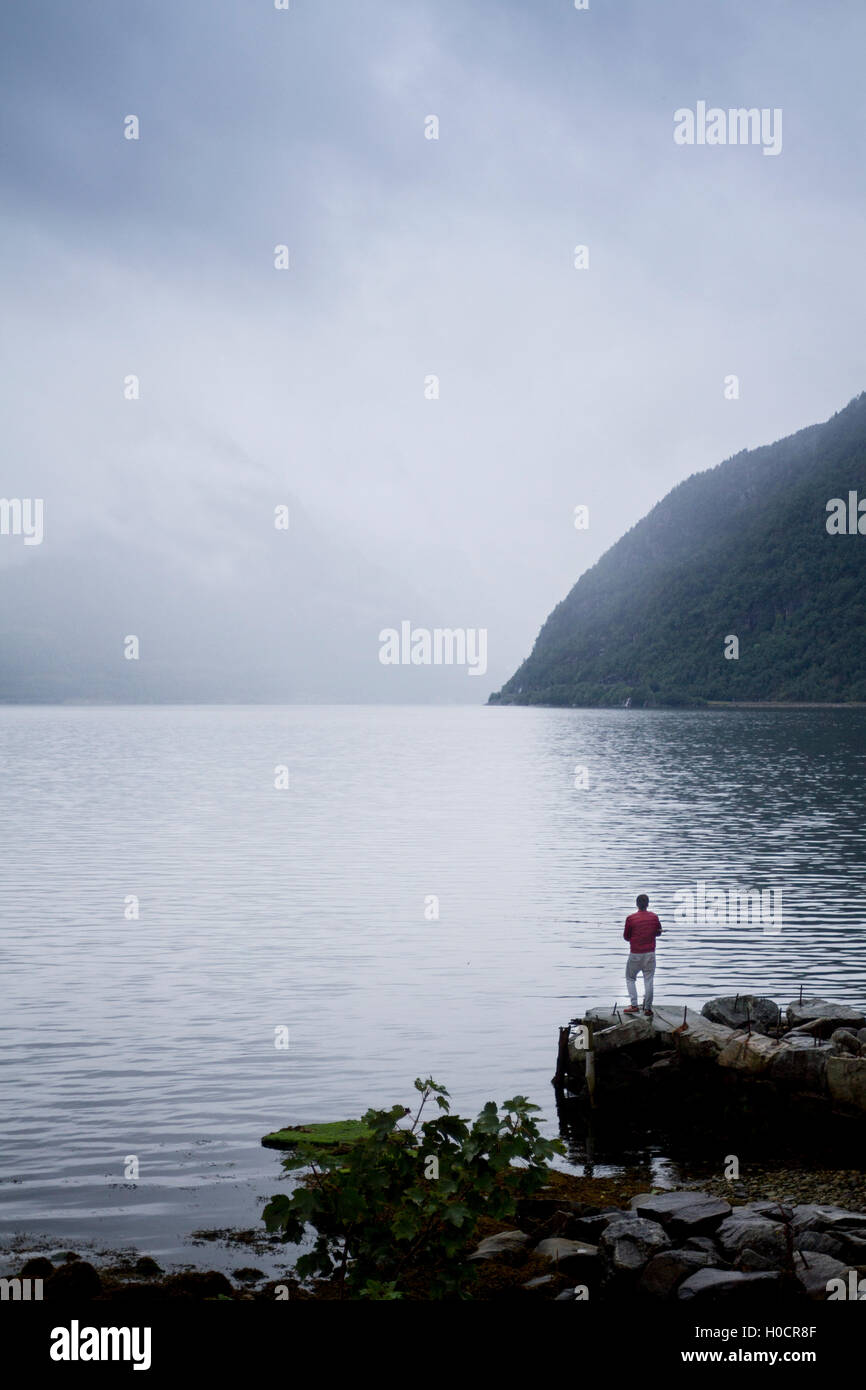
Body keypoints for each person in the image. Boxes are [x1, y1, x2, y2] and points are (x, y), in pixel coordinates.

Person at [622, 893, 662, 1017]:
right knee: (649, 980)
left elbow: (626, 937)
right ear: (648, 904)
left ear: (637, 904)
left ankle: (634, 1005)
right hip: (650, 954)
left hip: (635, 954)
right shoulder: (654, 917)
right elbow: (658, 933)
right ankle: (648, 1009)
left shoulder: (631, 918)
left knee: (630, 978)